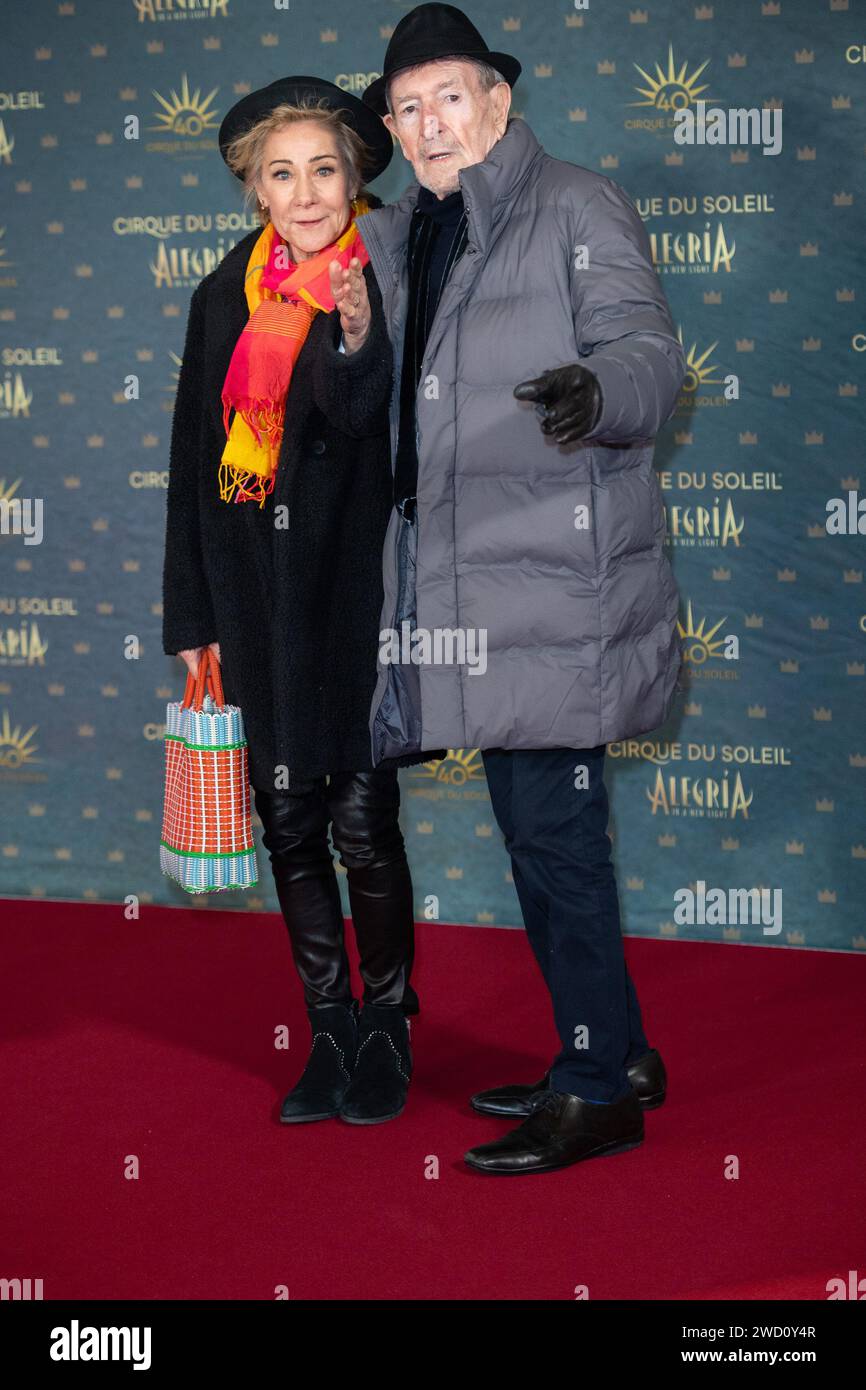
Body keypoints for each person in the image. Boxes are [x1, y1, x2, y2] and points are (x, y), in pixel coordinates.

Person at [357, 4, 686, 1173]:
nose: (429, 122)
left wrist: (598, 393)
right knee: (538, 836)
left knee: (556, 842)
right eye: (406, 107)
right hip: (463, 595)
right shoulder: (399, 235)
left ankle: (599, 1087)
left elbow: (645, 353)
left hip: (558, 587)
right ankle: (619, 1051)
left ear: (498, 100)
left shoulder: (574, 204)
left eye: (449, 96)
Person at [162, 77, 441, 1127]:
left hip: (355, 589)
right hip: (255, 594)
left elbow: (368, 413)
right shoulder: (219, 293)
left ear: (355, 176)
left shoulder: (387, 273)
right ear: (254, 189)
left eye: (324, 168)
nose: (306, 190)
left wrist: (361, 327)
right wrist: (193, 619)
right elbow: (195, 461)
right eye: (282, 173)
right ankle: (327, 1029)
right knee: (288, 819)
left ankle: (389, 1025)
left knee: (364, 817)